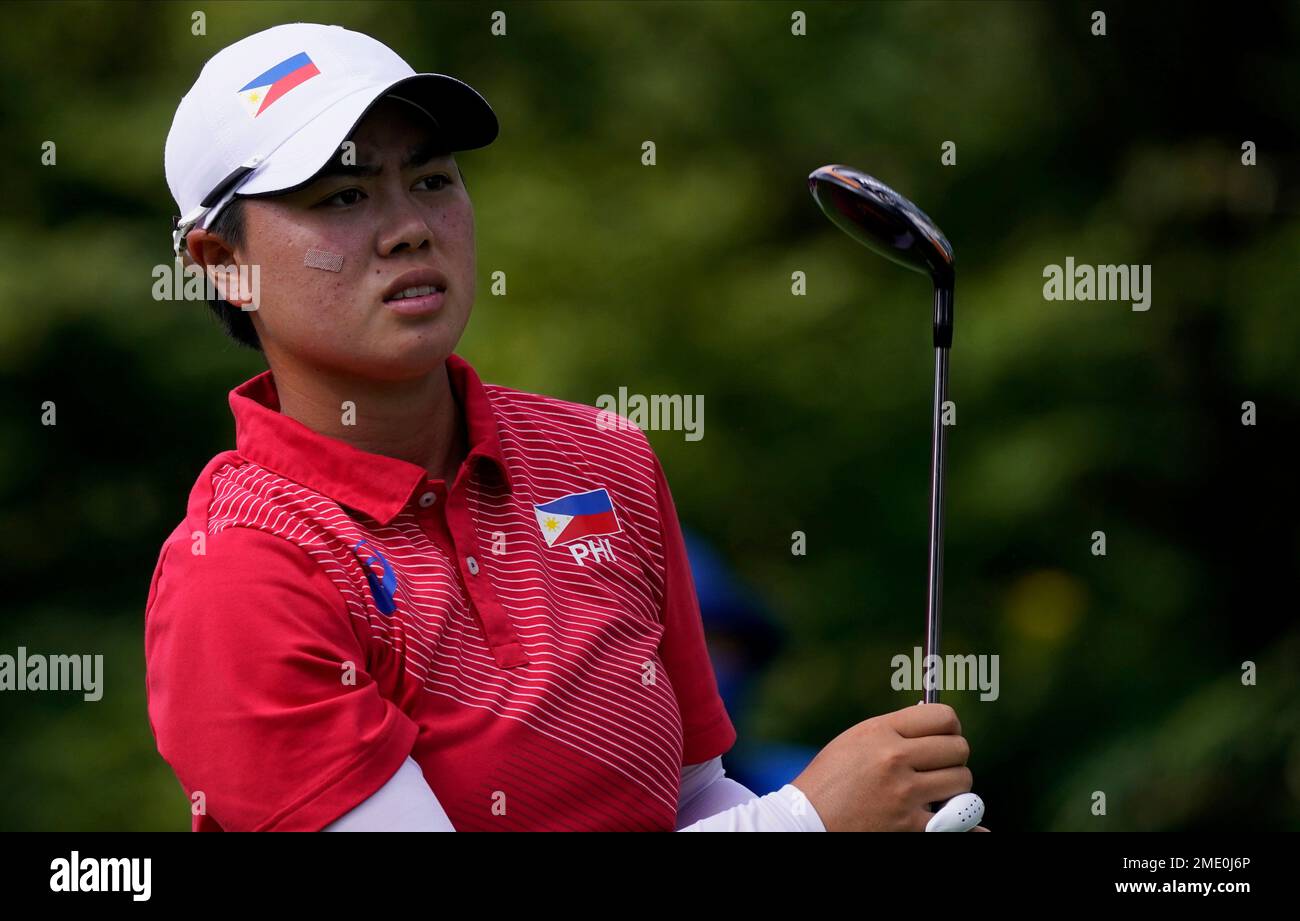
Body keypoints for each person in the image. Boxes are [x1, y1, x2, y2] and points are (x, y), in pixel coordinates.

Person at [145, 22, 979, 832]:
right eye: (346, 195)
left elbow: (690, 801)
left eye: (432, 179)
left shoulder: (602, 456)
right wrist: (808, 822)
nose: (410, 228)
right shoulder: (242, 567)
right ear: (224, 263)